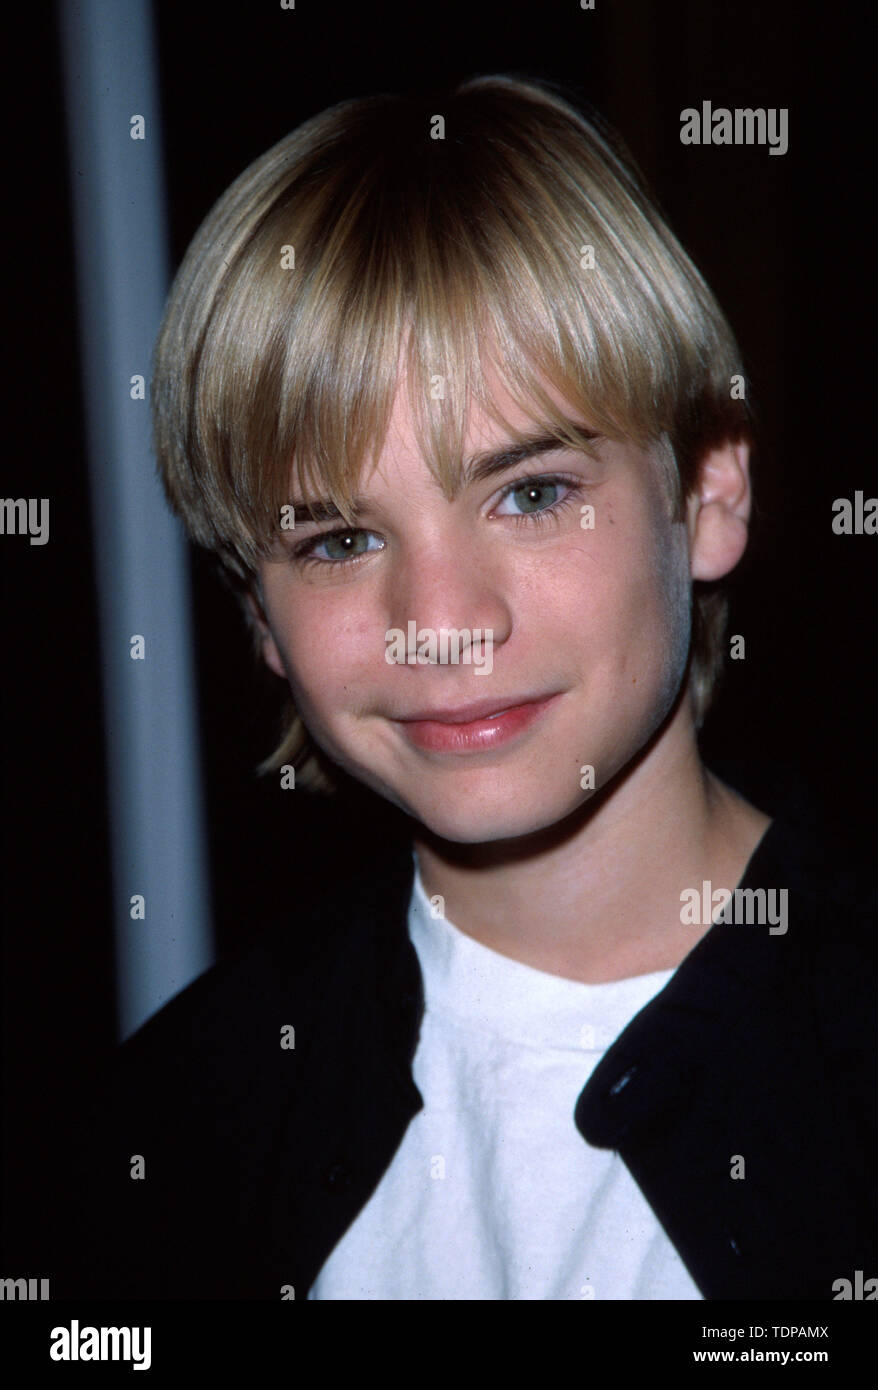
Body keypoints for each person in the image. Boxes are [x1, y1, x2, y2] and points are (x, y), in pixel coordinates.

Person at [50, 74, 876, 1301]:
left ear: (707, 491)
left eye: (529, 492)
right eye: (337, 540)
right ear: (257, 615)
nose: (440, 625)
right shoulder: (169, 1133)